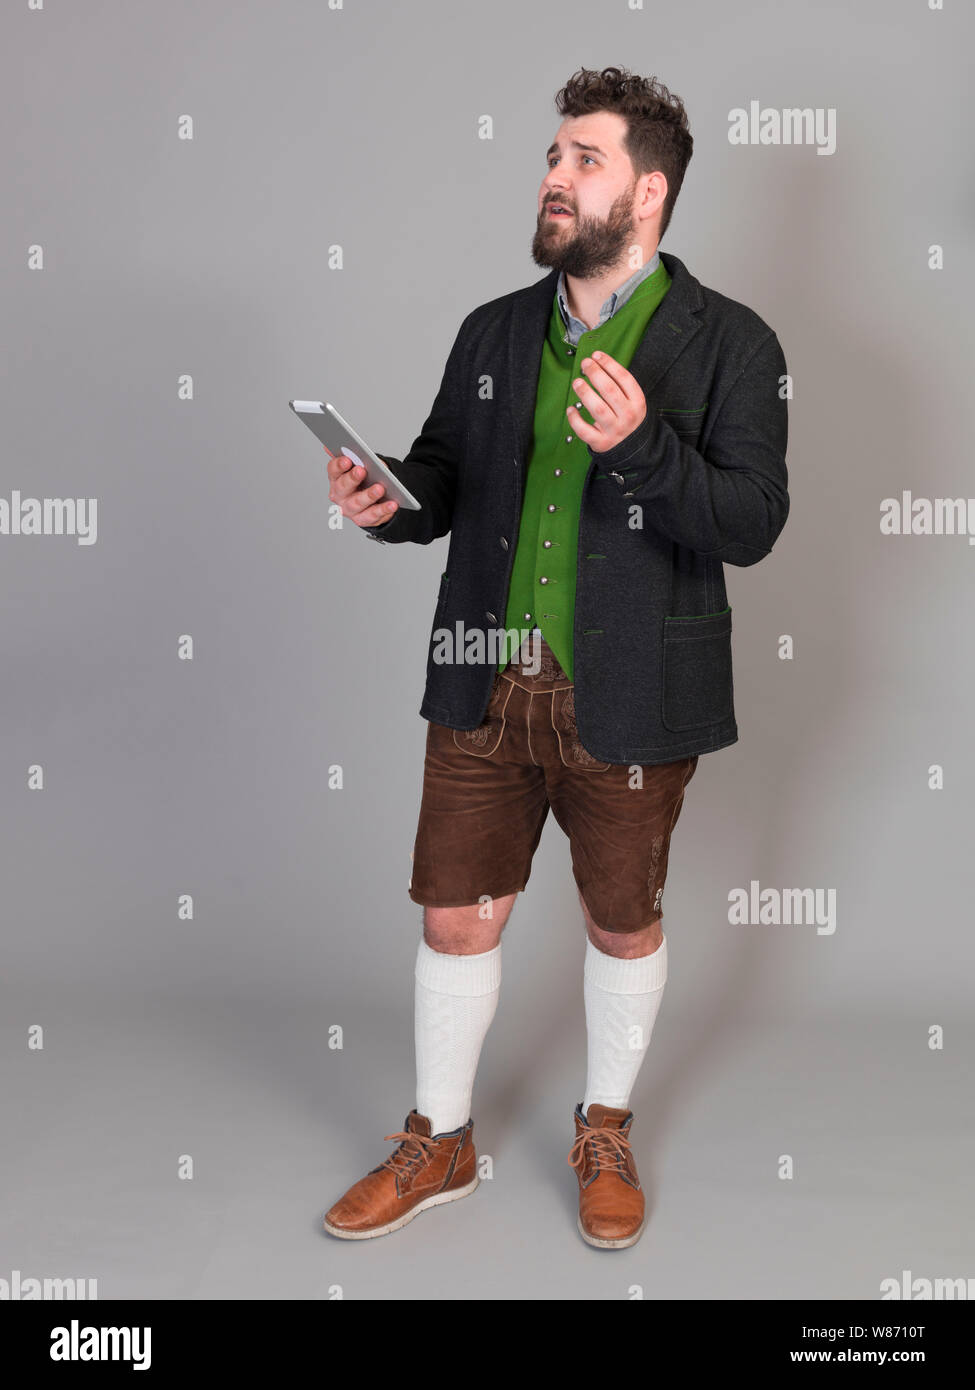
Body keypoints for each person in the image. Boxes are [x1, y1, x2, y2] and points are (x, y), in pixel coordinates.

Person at [321, 65, 789, 1248]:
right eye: (551, 155)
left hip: (632, 694)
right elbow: (442, 474)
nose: (553, 176)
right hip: (483, 678)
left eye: (584, 159)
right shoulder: (496, 328)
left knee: (621, 920)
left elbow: (752, 520)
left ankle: (608, 1124)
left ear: (649, 190)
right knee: (455, 918)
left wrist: (642, 451)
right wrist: (392, 498)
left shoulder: (732, 341)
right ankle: (443, 1137)